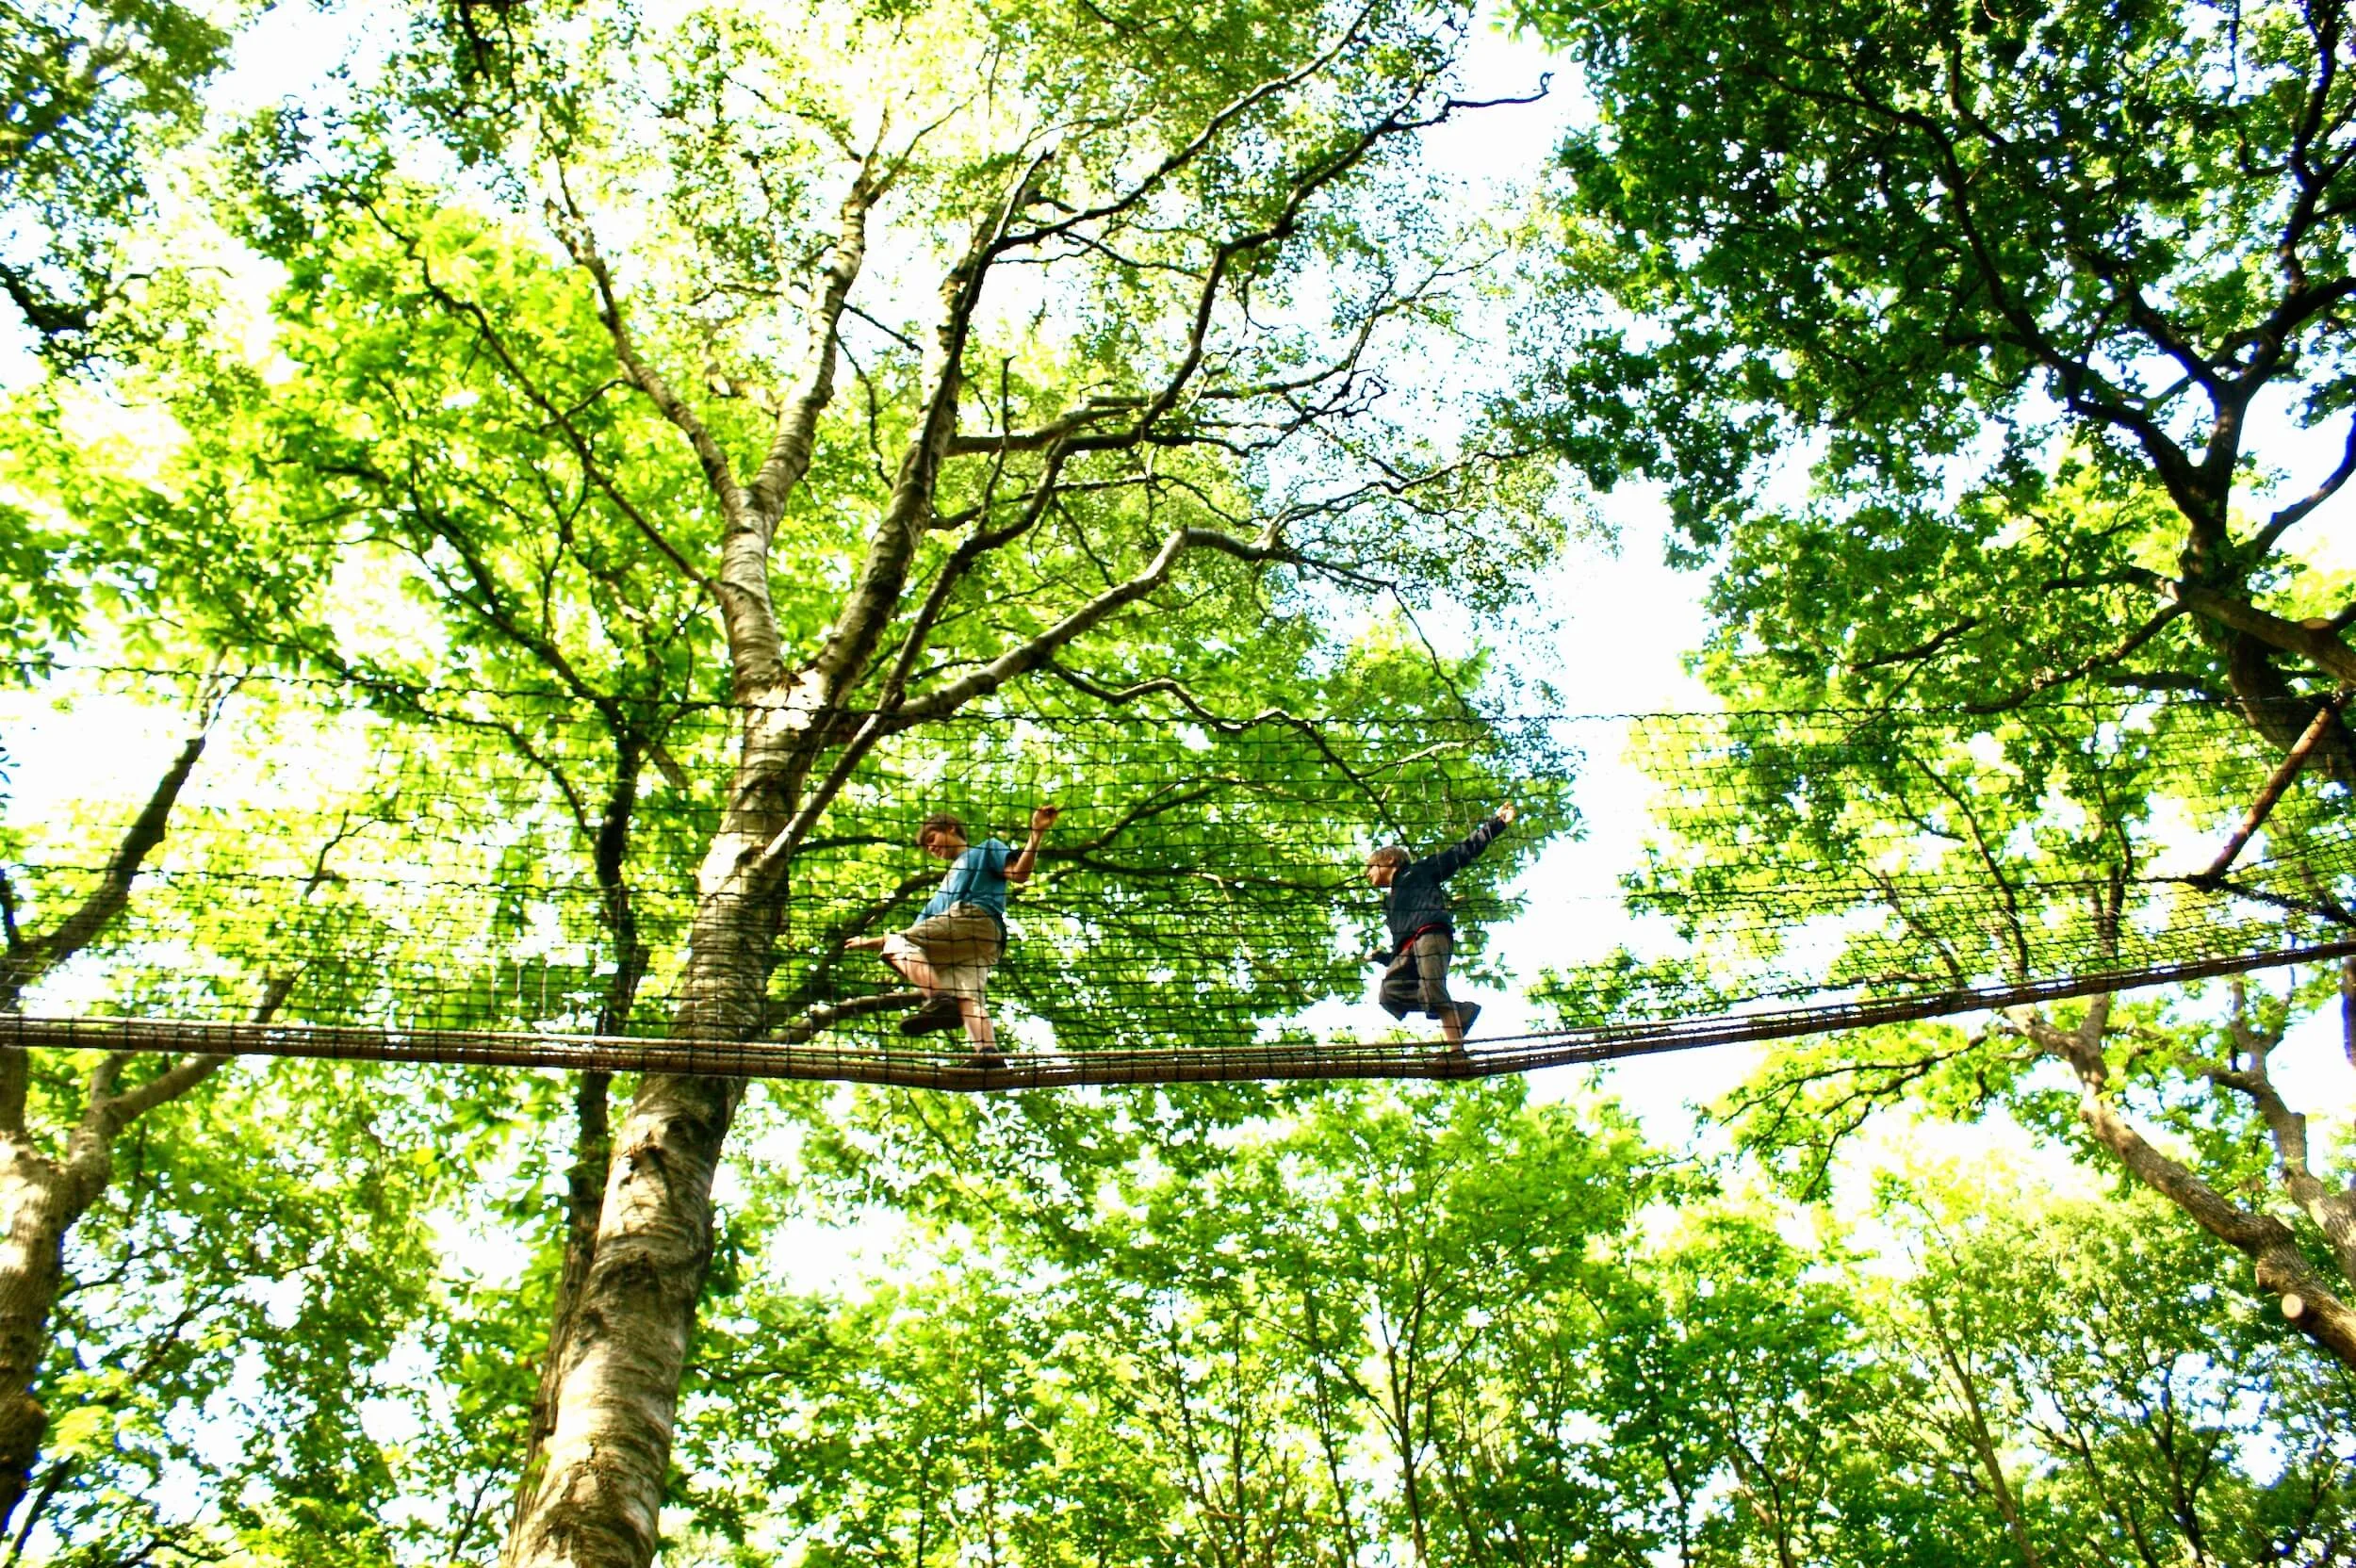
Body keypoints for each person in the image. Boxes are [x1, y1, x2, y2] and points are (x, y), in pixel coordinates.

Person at [848, 805, 1059, 1064]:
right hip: (984, 943)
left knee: (896, 944)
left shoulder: (984, 850)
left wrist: (1036, 833)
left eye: (932, 839)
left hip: (974, 919)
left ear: (950, 828)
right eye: (927, 847)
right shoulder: (939, 898)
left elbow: (1019, 873)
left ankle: (938, 999)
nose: (931, 848)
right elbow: (914, 935)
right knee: (966, 997)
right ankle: (988, 1054)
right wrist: (866, 942)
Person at [1367, 803, 1516, 1046]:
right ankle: (1461, 1011)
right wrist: (1385, 958)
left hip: (1430, 934)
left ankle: (1455, 1051)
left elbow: (1461, 852)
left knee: (1433, 991)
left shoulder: (1419, 872)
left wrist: (1497, 823)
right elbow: (1400, 940)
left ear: (1391, 860)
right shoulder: (1390, 903)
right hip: (1407, 948)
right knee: (1390, 994)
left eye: (1371, 866)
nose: (1367, 873)